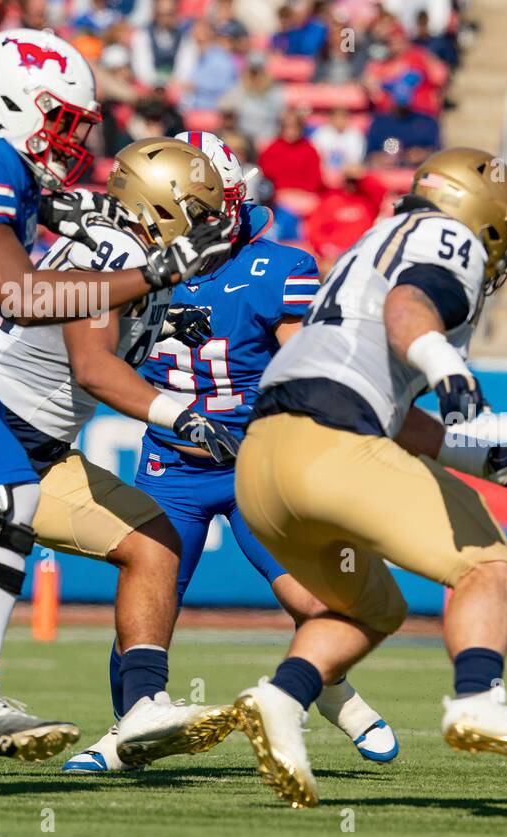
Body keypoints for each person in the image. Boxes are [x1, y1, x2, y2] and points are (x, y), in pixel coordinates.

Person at [0, 30, 232, 763]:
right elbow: (20, 295)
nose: (70, 140)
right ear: (13, 103)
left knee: (7, 490)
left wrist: (68, 216)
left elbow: (28, 224)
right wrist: (155, 275)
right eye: (58, 119)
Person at [231, 148, 507, 807]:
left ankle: (280, 699)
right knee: (491, 565)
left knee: (372, 607)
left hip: (264, 465)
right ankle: (477, 701)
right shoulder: (449, 237)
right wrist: (444, 362)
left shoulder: (371, 239)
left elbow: (383, 405)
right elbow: (410, 303)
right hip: (329, 446)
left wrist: (478, 457)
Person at [109, 131, 398, 772]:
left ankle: (332, 689)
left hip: (253, 460)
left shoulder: (278, 268)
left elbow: (302, 365)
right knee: (146, 606)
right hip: (172, 462)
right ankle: (131, 723)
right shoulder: (126, 273)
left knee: (313, 602)